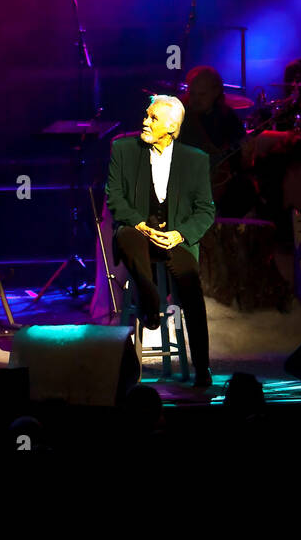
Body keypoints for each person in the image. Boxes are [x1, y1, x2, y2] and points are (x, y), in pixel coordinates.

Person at [106, 95, 216, 389]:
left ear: (171, 126)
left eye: (153, 118)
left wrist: (179, 235)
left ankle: (202, 366)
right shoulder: (123, 149)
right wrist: (140, 223)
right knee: (127, 235)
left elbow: (206, 209)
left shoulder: (195, 160)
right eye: (146, 115)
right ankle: (150, 298)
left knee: (190, 284)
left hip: (174, 238)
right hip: (137, 233)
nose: (144, 121)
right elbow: (114, 197)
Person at [179, 66, 254, 216]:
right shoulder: (179, 116)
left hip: (218, 187)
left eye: (202, 94)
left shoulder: (227, 117)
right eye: (192, 94)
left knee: (244, 189)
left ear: (215, 93)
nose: (195, 100)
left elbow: (239, 163)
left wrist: (247, 154)